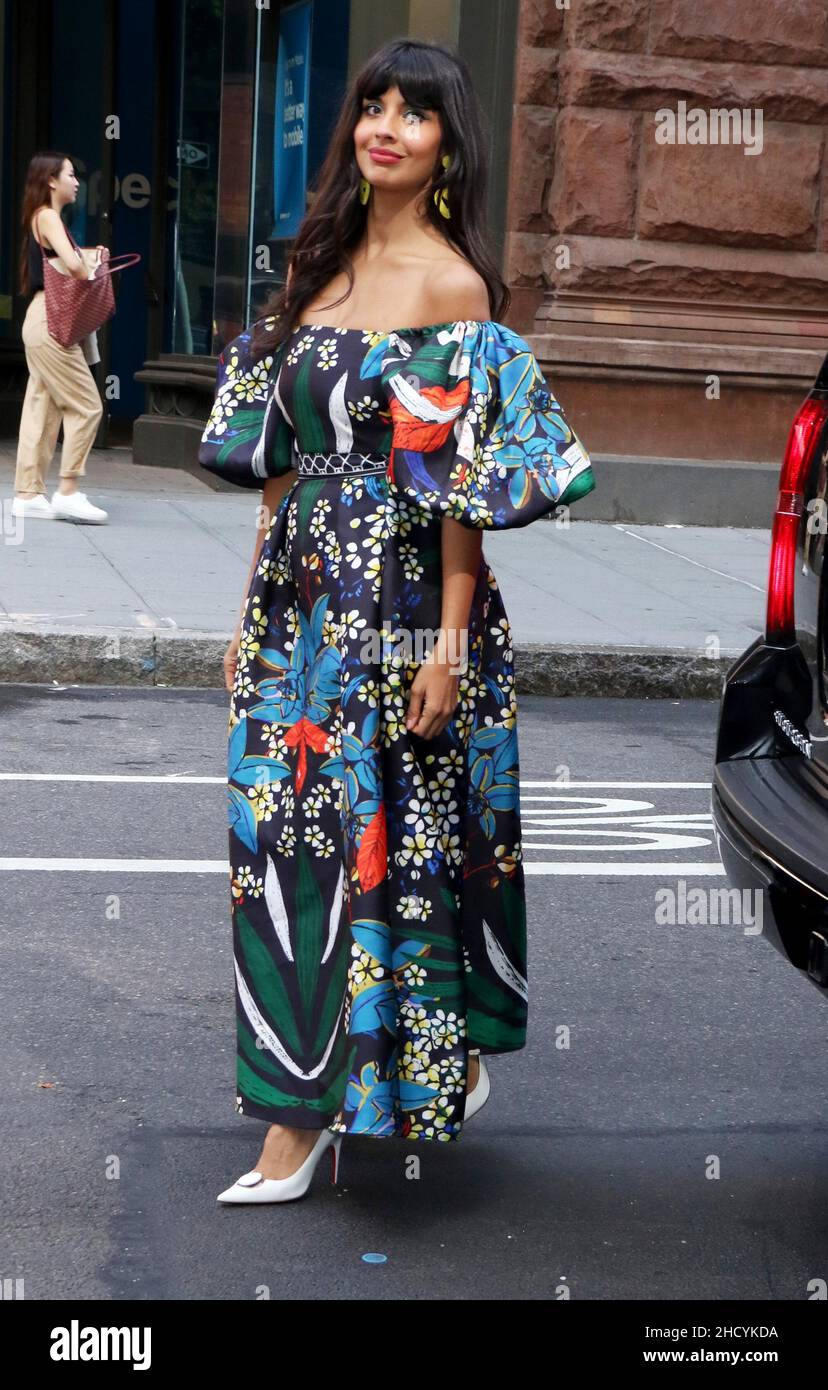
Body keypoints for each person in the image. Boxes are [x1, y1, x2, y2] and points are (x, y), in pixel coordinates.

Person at [199, 38, 595, 1205]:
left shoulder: (455, 289)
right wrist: (247, 613)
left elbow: (461, 480)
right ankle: (326, 1087)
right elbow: (277, 466)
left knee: (396, 847)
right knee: (278, 844)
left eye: (413, 114)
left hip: (410, 595)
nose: (386, 126)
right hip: (300, 607)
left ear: (445, 144)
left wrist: (450, 639)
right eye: (372, 106)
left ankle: (337, 1107)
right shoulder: (310, 271)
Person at [13, 151, 108, 524]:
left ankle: (27, 494)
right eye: (71, 174)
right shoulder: (49, 215)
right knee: (88, 405)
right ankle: (67, 491)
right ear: (51, 180)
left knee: (42, 407)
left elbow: (63, 259)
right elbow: (73, 268)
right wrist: (91, 262)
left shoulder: (42, 218)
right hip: (51, 322)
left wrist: (86, 256)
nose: (76, 181)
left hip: (39, 319)